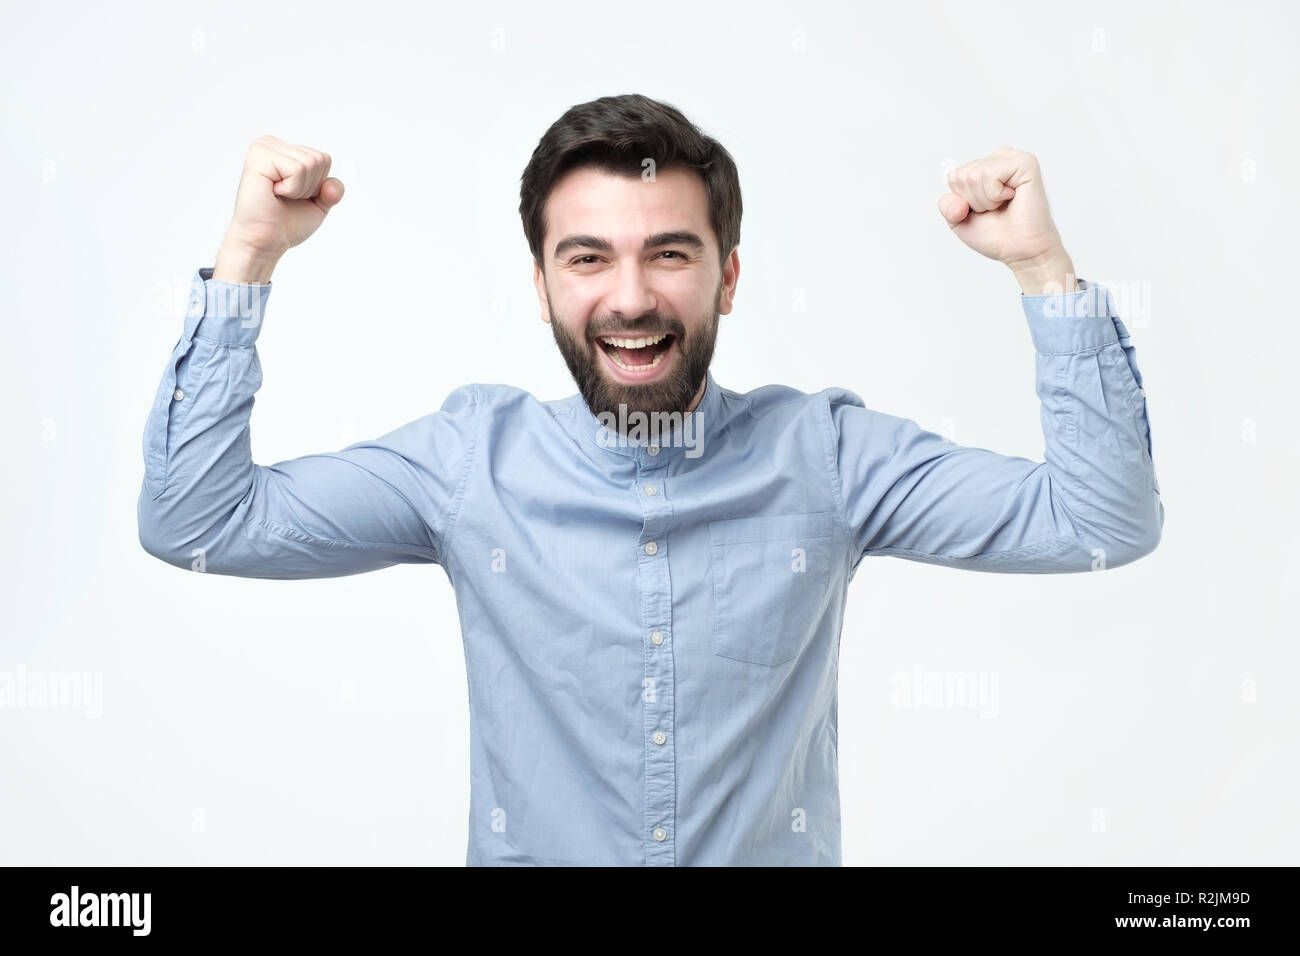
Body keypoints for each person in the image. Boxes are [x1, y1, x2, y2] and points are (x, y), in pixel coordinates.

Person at [138, 93, 1163, 866]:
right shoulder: (466, 464)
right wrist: (249, 253)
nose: (630, 298)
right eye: (587, 258)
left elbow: (1097, 520)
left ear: (726, 274)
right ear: (541, 286)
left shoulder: (827, 455)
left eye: (669, 252)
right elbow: (198, 520)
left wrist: (1040, 269)